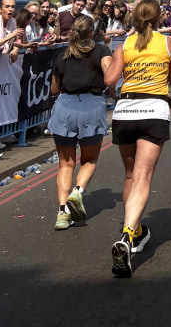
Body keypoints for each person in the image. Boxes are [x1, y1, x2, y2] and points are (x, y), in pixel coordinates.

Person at [104, 0, 171, 278]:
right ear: (159, 18)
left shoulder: (125, 44)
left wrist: (121, 64)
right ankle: (128, 235)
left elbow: (110, 80)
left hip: (125, 112)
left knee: (129, 176)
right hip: (153, 110)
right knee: (142, 178)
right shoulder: (167, 44)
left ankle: (136, 231)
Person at [47, 15, 112, 230]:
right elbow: (109, 77)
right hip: (92, 107)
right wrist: (114, 94)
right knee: (89, 160)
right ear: (92, 32)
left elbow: (54, 90)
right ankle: (78, 192)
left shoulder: (62, 55)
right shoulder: (102, 51)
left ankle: (62, 213)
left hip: (65, 107)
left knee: (65, 164)